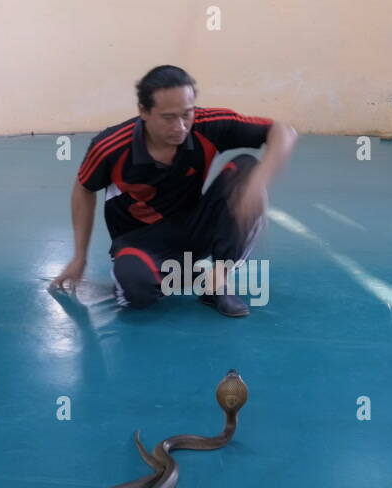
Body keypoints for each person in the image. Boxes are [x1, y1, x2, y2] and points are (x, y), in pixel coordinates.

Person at [51, 65, 297, 317]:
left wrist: (258, 183)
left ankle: (218, 281)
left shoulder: (207, 124)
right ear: (143, 111)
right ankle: (188, 275)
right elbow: (83, 189)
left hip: (195, 226)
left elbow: (282, 131)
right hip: (140, 241)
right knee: (135, 291)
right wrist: (79, 256)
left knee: (246, 169)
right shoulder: (110, 146)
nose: (180, 127)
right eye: (168, 117)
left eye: (187, 114)